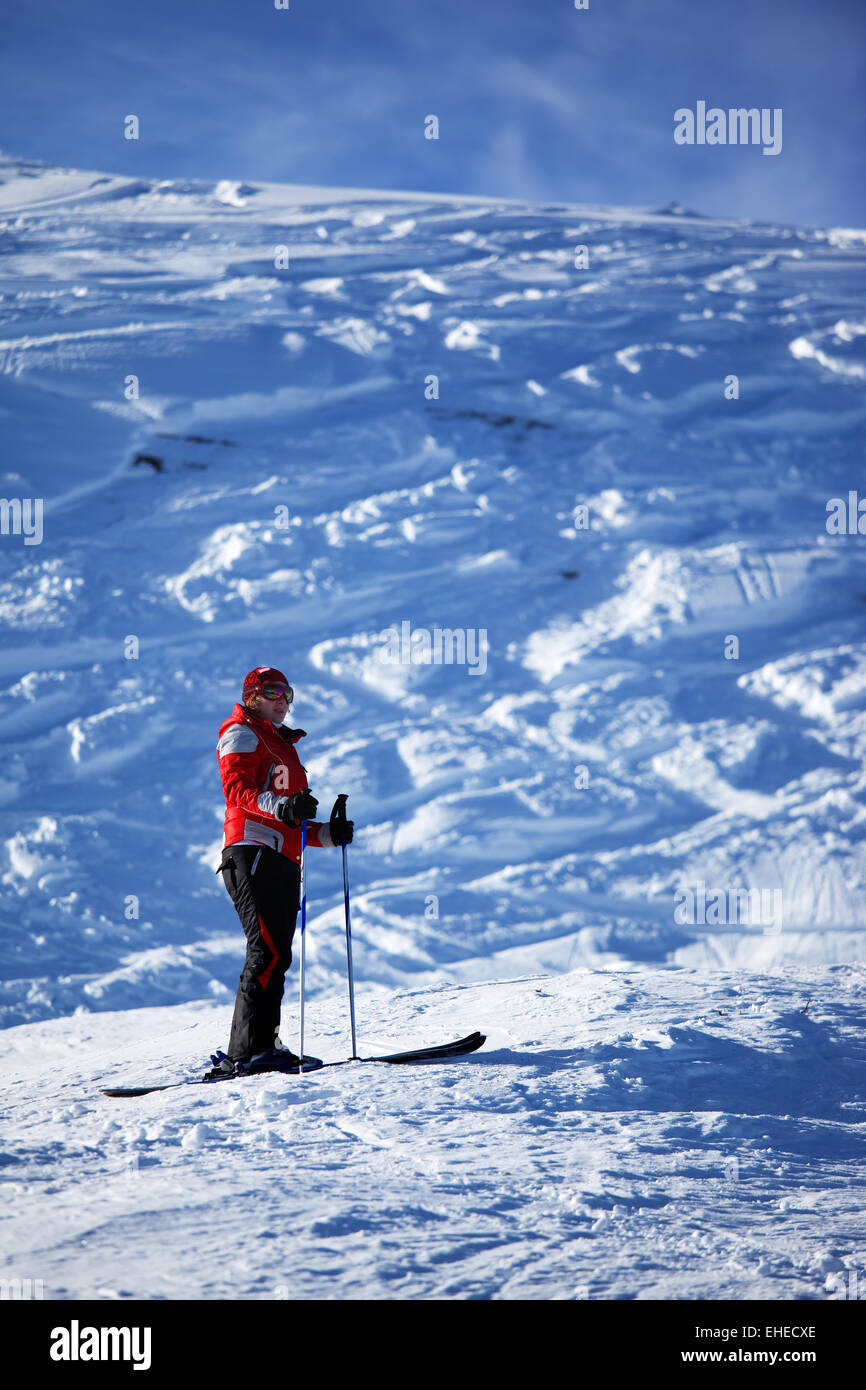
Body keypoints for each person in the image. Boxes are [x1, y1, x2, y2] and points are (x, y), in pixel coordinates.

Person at [208, 665, 353, 1077]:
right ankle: (247, 1052)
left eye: (288, 694)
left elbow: (289, 821)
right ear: (252, 695)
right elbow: (236, 790)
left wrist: (327, 834)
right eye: (273, 692)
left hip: (281, 857)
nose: (283, 700)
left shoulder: (282, 745)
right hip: (252, 852)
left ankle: (263, 1044)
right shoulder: (241, 731)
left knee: (277, 953)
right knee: (267, 950)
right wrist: (283, 806)